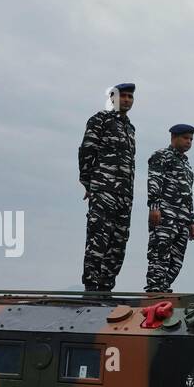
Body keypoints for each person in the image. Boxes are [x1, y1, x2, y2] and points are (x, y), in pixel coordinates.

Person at [78, 83, 137, 292]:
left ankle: (106, 288)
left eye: (130, 97)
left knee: (118, 243)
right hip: (104, 189)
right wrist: (88, 182)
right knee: (98, 238)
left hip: (124, 196)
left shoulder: (130, 128)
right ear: (113, 98)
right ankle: (91, 287)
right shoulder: (100, 119)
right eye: (124, 96)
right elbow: (87, 149)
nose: (127, 100)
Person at [145, 124, 194, 292]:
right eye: (185, 138)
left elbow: (188, 194)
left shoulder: (187, 164)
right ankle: (155, 291)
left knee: (176, 261)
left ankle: (164, 289)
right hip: (165, 216)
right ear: (174, 137)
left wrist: (192, 221)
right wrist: (154, 207)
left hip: (182, 219)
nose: (189, 142)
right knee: (159, 255)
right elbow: (154, 181)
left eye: (191, 139)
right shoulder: (161, 156)